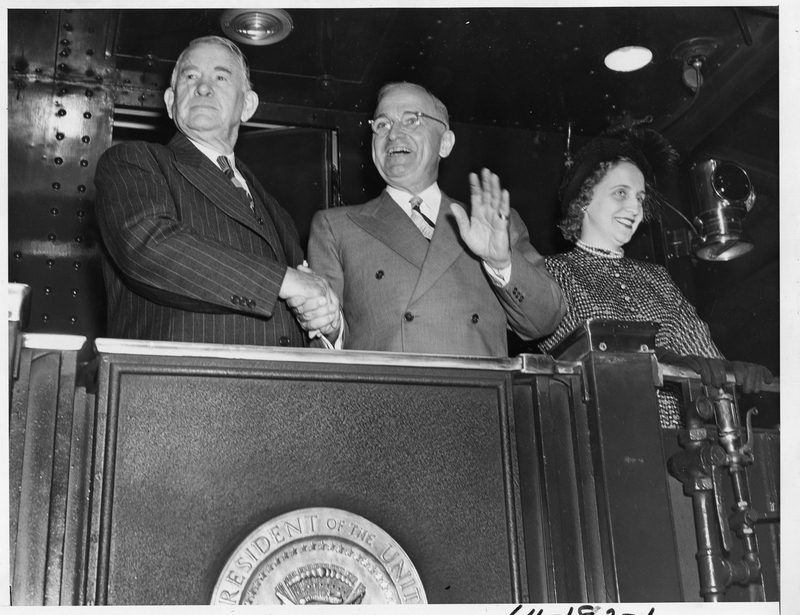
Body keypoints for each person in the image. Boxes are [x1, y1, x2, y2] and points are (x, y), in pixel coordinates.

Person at [95, 36, 339, 346]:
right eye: (191, 76)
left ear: (247, 106)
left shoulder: (276, 210)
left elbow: (302, 308)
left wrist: (327, 324)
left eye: (221, 77)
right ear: (170, 103)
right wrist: (285, 281)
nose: (203, 87)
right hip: (182, 388)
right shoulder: (134, 161)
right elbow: (148, 246)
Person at [297, 82, 565, 356]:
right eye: (382, 124)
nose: (393, 134)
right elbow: (320, 347)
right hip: (384, 395)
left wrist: (500, 262)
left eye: (411, 120)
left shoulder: (492, 222)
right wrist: (328, 325)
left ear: (445, 143)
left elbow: (545, 320)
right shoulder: (336, 226)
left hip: (480, 396)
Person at [538, 126, 772, 427]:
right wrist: (669, 360)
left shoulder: (658, 278)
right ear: (583, 198)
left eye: (640, 197)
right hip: (603, 441)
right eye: (621, 193)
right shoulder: (555, 271)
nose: (634, 208)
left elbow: (704, 356)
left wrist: (732, 371)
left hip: (680, 445)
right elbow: (588, 355)